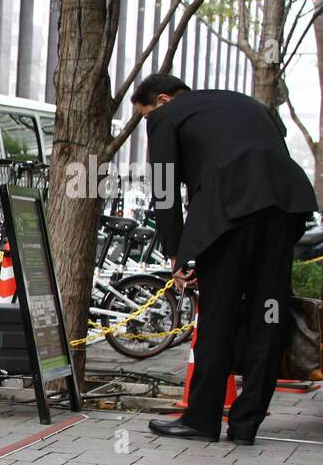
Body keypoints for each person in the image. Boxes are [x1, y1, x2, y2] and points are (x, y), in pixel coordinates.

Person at [133, 73, 316, 445]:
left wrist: (176, 252)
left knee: (218, 314)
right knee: (269, 313)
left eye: (145, 114)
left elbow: (165, 186)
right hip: (284, 209)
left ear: (163, 100)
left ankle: (201, 421)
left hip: (229, 215)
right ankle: (246, 424)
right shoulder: (246, 103)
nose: (146, 122)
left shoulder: (167, 116)